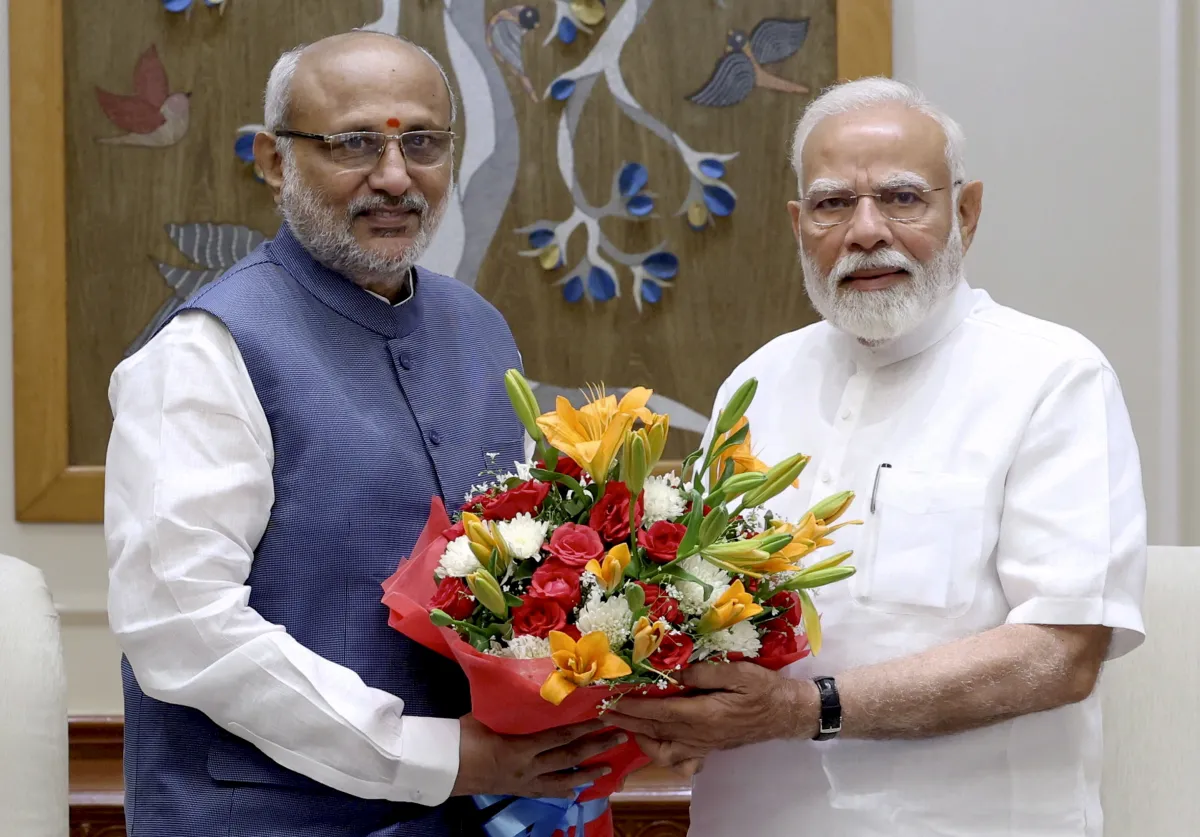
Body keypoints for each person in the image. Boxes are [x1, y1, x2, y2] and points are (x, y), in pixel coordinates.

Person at [105, 32, 621, 837]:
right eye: (353, 143)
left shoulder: (479, 330)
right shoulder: (204, 351)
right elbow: (182, 626)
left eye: (422, 142)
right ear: (274, 161)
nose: (393, 176)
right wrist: (437, 755)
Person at [607, 77, 1147, 836]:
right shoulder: (758, 382)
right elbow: (690, 607)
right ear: (800, 224)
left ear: (965, 211)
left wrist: (807, 708)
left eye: (901, 198)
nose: (865, 230)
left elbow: (1062, 651)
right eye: (833, 203)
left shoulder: (1055, 375)